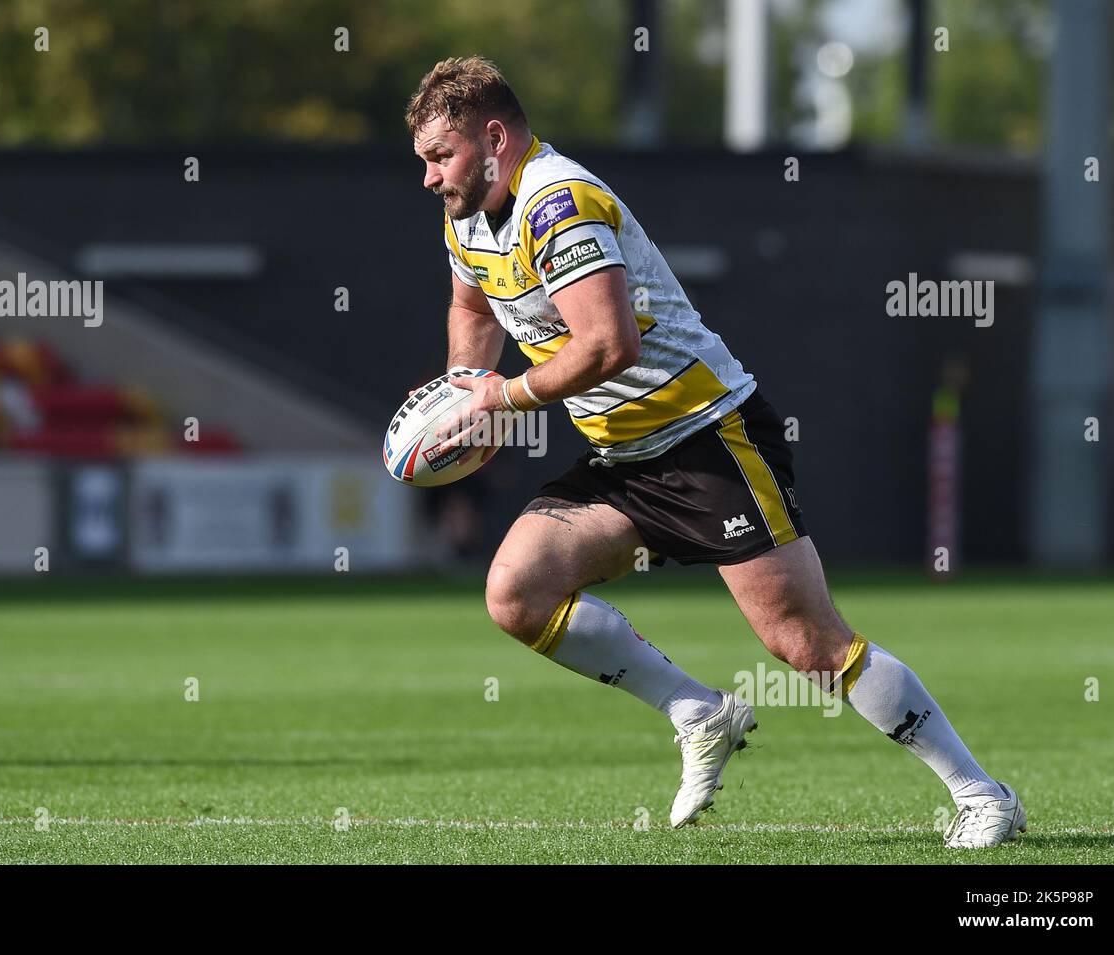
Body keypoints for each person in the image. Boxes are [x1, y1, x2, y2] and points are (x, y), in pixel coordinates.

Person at [404, 56, 1023, 846]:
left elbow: (609, 344)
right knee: (516, 594)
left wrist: (507, 397)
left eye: (439, 156)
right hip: (620, 457)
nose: (428, 177)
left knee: (806, 644)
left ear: (494, 137)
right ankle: (699, 711)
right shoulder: (466, 211)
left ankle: (982, 794)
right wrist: (467, 386)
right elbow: (471, 300)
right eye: (423, 159)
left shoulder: (558, 203)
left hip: (707, 438)